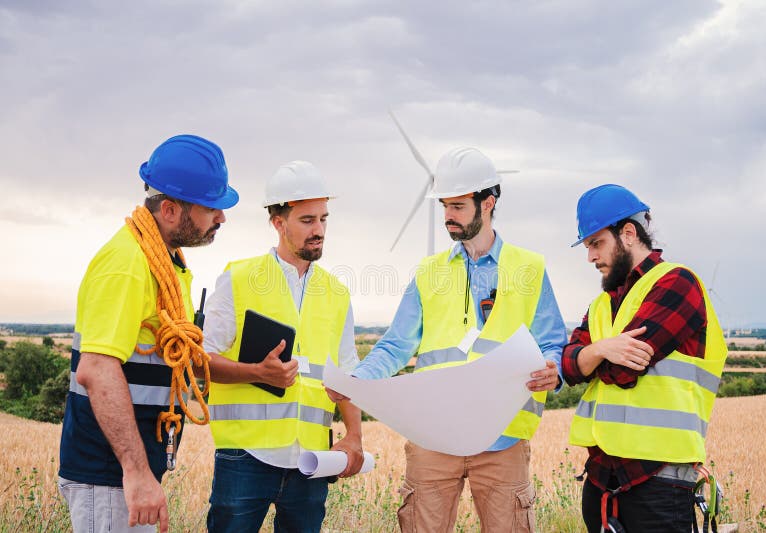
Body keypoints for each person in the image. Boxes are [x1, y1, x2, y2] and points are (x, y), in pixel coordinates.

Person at [329, 147, 567, 532]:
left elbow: (552, 342)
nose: (447, 217)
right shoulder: (429, 272)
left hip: (503, 440)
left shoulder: (529, 268)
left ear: (487, 203)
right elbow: (395, 345)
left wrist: (552, 369)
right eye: (444, 207)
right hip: (433, 437)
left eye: (457, 206)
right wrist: (359, 380)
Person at [58, 134, 239, 532]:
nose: (221, 218)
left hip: (124, 470)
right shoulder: (127, 264)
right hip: (108, 473)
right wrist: (137, 474)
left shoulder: (164, 263)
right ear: (171, 210)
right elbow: (97, 370)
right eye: (212, 208)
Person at [203, 160, 364, 533]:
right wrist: (256, 373)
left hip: (310, 462)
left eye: (324, 219)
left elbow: (347, 374)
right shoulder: (239, 277)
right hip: (245, 457)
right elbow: (201, 362)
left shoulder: (337, 293)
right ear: (278, 222)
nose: (320, 230)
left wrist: (354, 436)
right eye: (308, 220)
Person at [561, 184, 728, 532]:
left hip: (660, 482)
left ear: (628, 233)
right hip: (600, 481)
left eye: (596, 243)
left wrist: (589, 357)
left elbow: (624, 371)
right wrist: (601, 350)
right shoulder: (602, 304)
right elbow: (568, 366)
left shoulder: (678, 283)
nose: (590, 256)